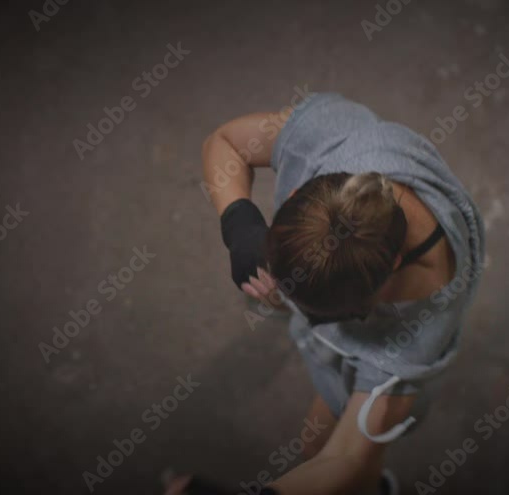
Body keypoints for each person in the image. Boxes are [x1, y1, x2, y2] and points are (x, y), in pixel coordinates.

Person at [170, 92, 485, 494]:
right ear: (293, 195)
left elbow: (347, 458)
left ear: (376, 294)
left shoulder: (413, 334)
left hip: (365, 359)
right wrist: (239, 221)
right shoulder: (333, 138)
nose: (277, 299)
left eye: (314, 313)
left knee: (319, 445)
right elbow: (225, 141)